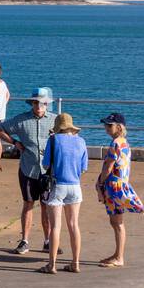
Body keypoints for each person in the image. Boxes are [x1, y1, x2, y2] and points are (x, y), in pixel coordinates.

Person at [0, 87, 56, 255]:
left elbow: (68, 135)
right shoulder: (21, 120)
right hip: (27, 169)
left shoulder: (55, 120)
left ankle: (48, 241)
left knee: (46, 206)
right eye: (35, 102)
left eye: (42, 103)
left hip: (47, 171)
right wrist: (15, 143)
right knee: (28, 204)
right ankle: (24, 241)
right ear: (32, 103)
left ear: (47, 104)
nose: (38, 106)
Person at [39, 113, 88, 274]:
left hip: (57, 185)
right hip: (75, 186)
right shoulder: (81, 141)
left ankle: (52, 265)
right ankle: (75, 263)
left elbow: (46, 165)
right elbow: (83, 168)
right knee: (74, 225)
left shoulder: (53, 141)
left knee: (55, 226)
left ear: (57, 127)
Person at [95, 112, 144, 268]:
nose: (106, 128)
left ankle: (119, 257)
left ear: (119, 127)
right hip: (120, 185)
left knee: (117, 222)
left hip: (113, 186)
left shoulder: (115, 143)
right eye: (106, 125)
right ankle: (117, 254)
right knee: (116, 221)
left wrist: (100, 184)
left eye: (110, 125)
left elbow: (108, 166)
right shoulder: (124, 142)